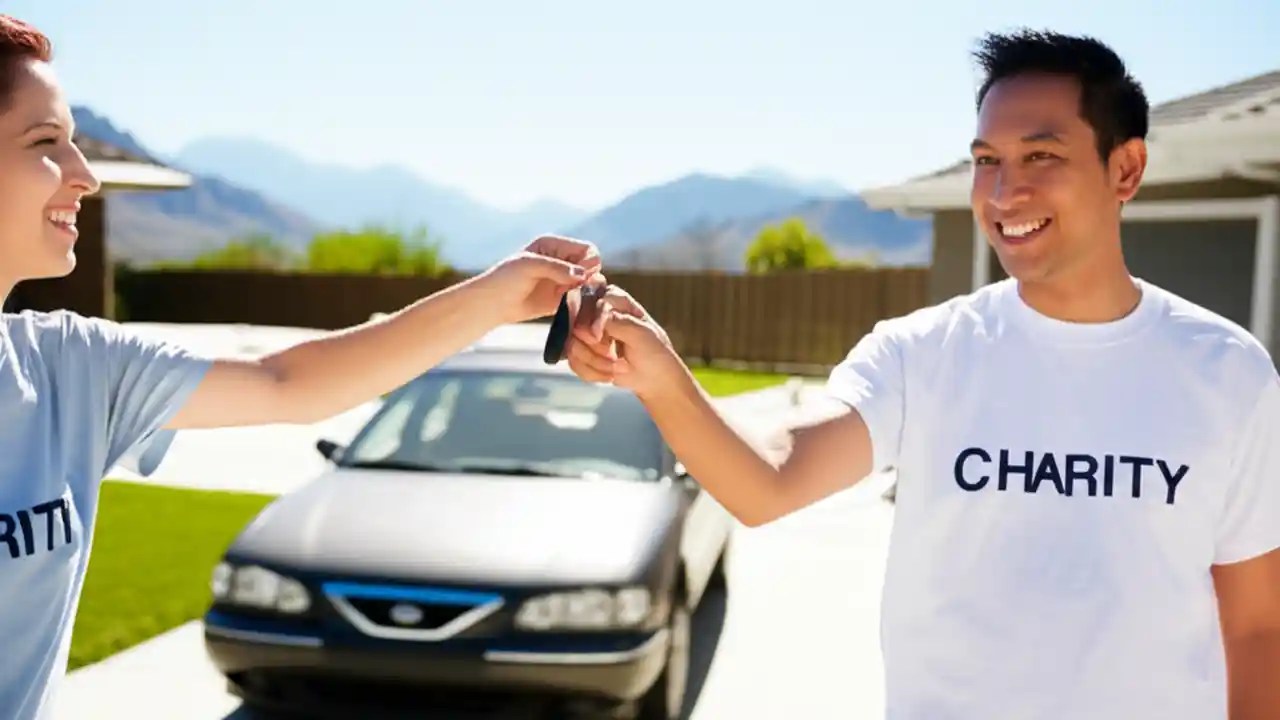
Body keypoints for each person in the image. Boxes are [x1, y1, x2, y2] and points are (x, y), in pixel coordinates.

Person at [568, 29, 1280, 720]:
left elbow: (1256, 628)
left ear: (1124, 169)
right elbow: (767, 480)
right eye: (986, 160)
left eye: (1040, 156)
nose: (1004, 193)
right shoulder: (922, 354)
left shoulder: (1228, 372)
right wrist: (662, 377)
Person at [0, 14, 601, 719]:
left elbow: (292, 382)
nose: (85, 175)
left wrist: (495, 299)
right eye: (47, 143)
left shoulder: (70, 367)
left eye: (75, 142)